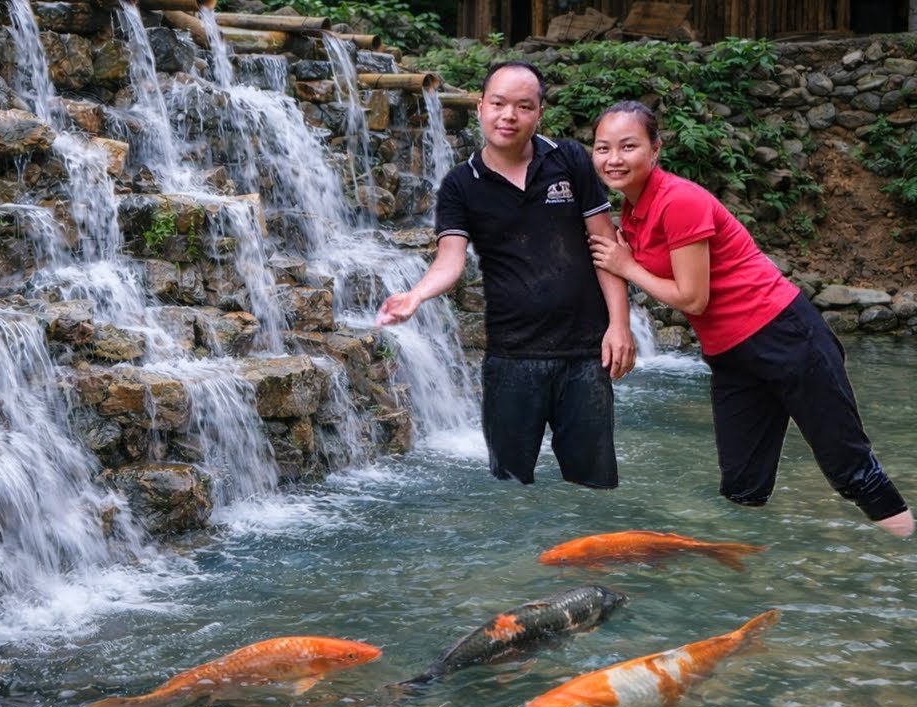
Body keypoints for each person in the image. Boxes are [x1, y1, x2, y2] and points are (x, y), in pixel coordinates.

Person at [587, 100, 914, 537]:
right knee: (743, 487)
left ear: (655, 150)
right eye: (603, 148)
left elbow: (693, 298)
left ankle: (904, 559)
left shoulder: (679, 201)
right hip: (732, 358)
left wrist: (629, 268)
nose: (613, 159)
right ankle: (749, 575)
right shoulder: (632, 208)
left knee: (850, 470)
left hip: (785, 336)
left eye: (628, 146)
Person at [376, 61, 637, 489]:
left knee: (594, 489)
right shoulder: (461, 185)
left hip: (585, 357)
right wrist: (416, 296)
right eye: (497, 103)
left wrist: (620, 325)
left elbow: (606, 247)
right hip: (511, 358)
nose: (508, 116)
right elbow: (450, 260)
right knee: (509, 489)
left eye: (523, 106)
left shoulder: (569, 159)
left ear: (538, 113)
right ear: (480, 107)